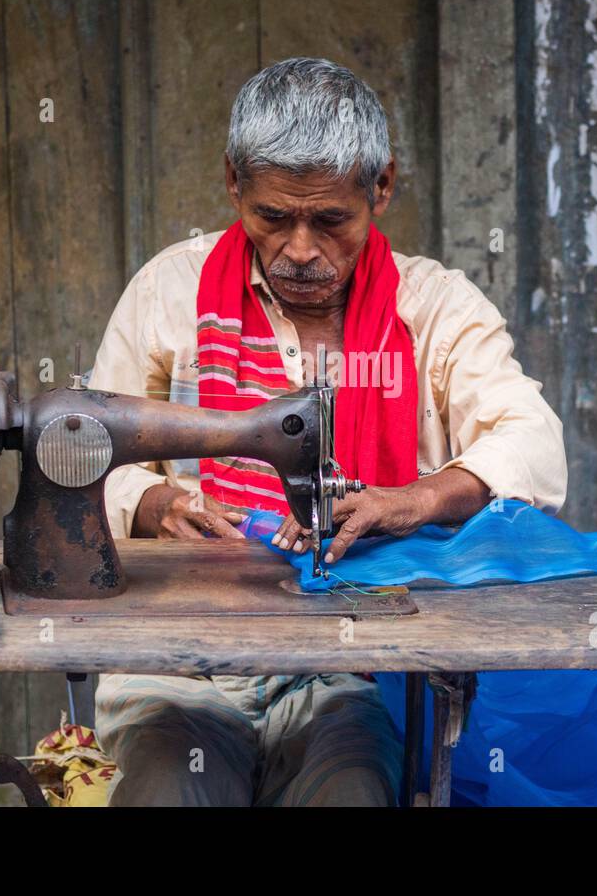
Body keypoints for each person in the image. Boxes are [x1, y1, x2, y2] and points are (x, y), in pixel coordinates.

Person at [89, 56, 567, 806]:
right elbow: (86, 453)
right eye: (274, 217)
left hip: (356, 661)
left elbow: (534, 443)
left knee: (352, 789)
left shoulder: (435, 311)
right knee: (168, 788)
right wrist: (153, 505)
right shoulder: (167, 294)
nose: (301, 249)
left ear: (382, 186)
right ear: (233, 183)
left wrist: (413, 499)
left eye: (331, 220)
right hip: (181, 653)